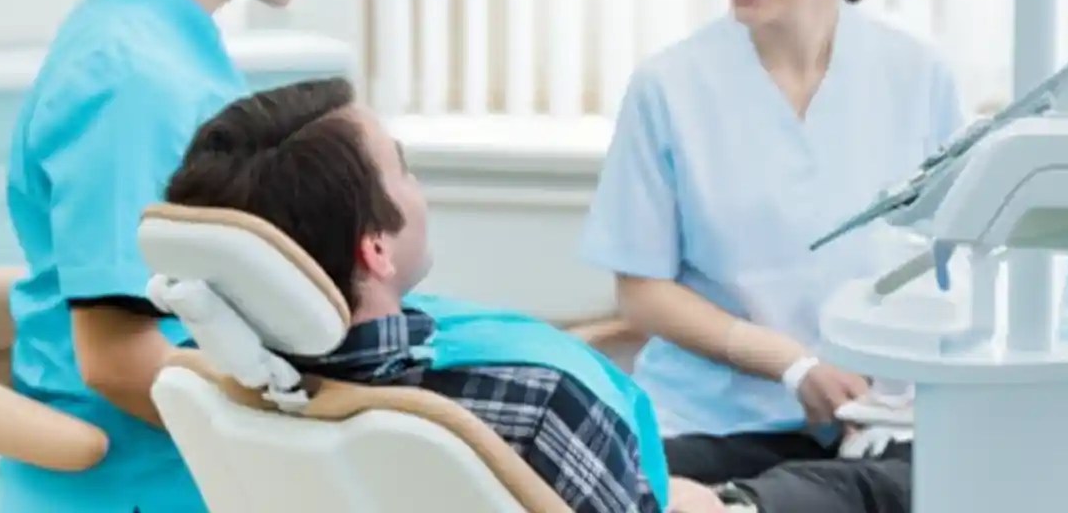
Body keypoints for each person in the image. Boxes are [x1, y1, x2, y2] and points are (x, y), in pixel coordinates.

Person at [579, 0, 967, 513]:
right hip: (712, 423)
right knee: (629, 488)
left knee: (949, 478)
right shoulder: (670, 87)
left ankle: (749, 506)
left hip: (873, 429)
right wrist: (791, 365)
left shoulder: (918, 78)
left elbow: (949, 268)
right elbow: (641, 291)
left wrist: (890, 390)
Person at [1, 0, 335, 510]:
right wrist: (308, 443)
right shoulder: (131, 74)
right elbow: (117, 358)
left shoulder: (163, 42)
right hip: (129, 484)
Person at [161, 77, 681, 513]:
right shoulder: (540, 403)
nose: (417, 185)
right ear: (376, 248)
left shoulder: (223, 386)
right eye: (403, 168)